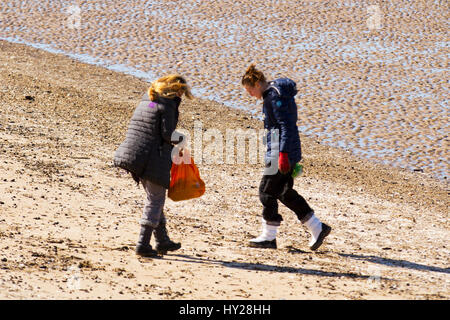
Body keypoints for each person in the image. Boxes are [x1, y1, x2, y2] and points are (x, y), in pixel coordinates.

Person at [241, 64, 331, 251]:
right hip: (283, 150)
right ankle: (317, 227)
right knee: (283, 192)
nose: (250, 95)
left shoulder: (274, 97)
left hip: (282, 152)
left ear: (258, 84)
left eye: (250, 90)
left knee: (266, 191)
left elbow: (286, 127)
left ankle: (268, 237)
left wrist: (282, 154)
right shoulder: (273, 94)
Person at [114, 74, 193, 257]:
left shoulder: (149, 99)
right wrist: (183, 139)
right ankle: (143, 244)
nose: (181, 96)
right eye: (181, 92)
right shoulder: (168, 104)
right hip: (151, 157)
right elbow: (167, 134)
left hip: (133, 155)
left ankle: (162, 241)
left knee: (155, 198)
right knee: (155, 200)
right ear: (175, 89)